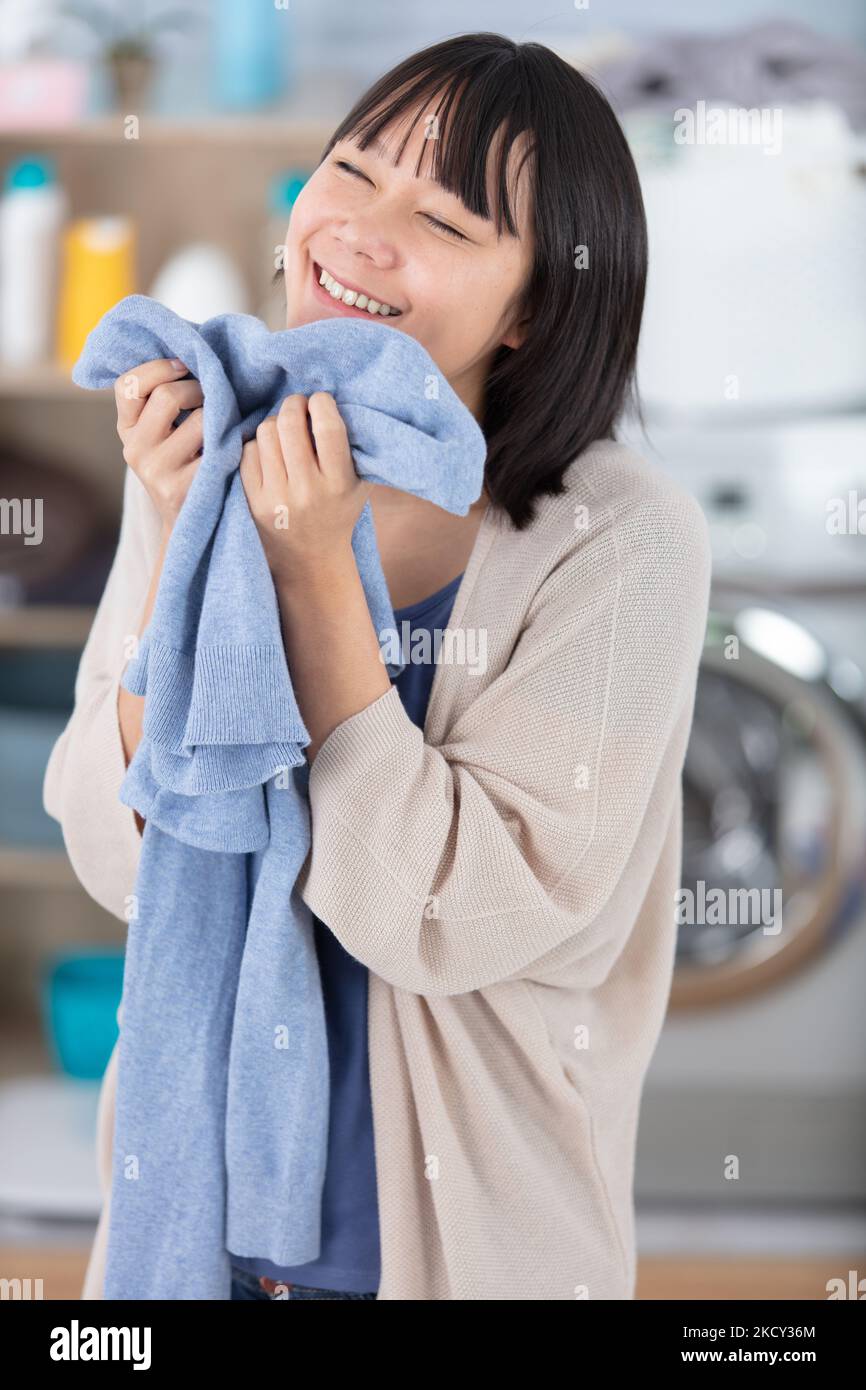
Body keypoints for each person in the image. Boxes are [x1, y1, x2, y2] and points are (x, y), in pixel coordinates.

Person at [44, 32, 711, 1301]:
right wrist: (194, 538)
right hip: (192, 1238)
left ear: (536, 308)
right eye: (349, 170)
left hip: (465, 1248)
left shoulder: (617, 536)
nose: (357, 228)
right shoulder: (213, 450)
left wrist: (308, 578)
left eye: (446, 221)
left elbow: (449, 917)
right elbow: (113, 851)